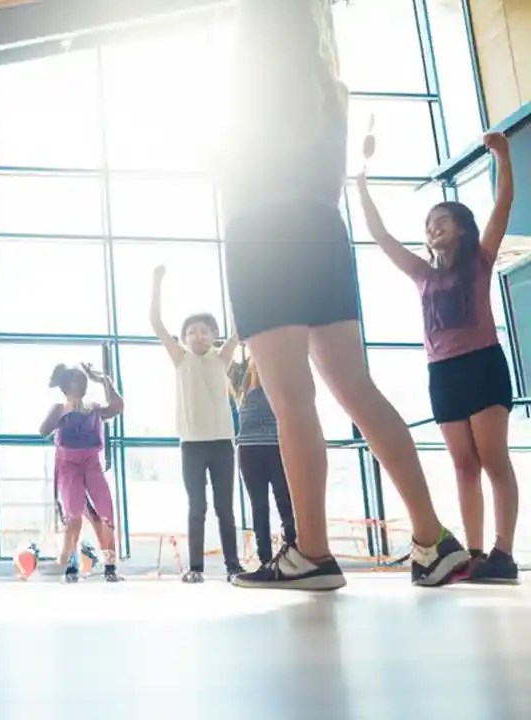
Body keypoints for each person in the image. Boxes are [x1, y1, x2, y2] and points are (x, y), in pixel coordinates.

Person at [222, 0, 467, 590]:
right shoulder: (332, 89)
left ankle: (311, 552)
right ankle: (433, 540)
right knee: (356, 387)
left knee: (291, 398)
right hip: (323, 230)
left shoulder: (247, 86)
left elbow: (230, 169)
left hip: (262, 230)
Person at [357, 130, 518, 584]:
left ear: (462, 227)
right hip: (442, 374)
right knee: (463, 465)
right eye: (429, 223)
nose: (432, 228)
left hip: (482, 364)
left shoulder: (480, 260)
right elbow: (380, 235)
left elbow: (503, 202)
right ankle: (472, 552)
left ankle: (502, 553)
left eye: (442, 219)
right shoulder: (423, 275)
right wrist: (362, 181)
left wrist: (502, 156)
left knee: (493, 459)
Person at [149, 267, 243, 583]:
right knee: (196, 508)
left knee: (225, 509)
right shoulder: (181, 358)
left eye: (205, 330)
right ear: (185, 337)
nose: (199, 335)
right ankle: (196, 568)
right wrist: (157, 282)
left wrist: (234, 287)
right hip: (191, 444)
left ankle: (233, 566)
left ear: (213, 335)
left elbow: (238, 328)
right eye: (192, 331)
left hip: (221, 443)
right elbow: (156, 324)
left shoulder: (221, 357)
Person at [39, 362, 124, 583]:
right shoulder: (59, 409)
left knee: (105, 511)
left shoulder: (94, 408)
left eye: (83, 382)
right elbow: (43, 431)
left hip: (91, 464)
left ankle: (110, 565)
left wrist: (105, 381)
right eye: (76, 383)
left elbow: (117, 407)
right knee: (73, 514)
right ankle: (69, 564)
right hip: (68, 466)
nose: (81, 387)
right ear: (66, 387)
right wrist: (64, 413)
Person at [230, 353, 297, 567]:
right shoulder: (241, 387)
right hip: (249, 451)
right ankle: (265, 558)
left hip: (276, 449)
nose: (260, 366)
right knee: (259, 505)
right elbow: (223, 359)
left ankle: (293, 549)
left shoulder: (278, 387)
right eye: (256, 362)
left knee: (284, 500)